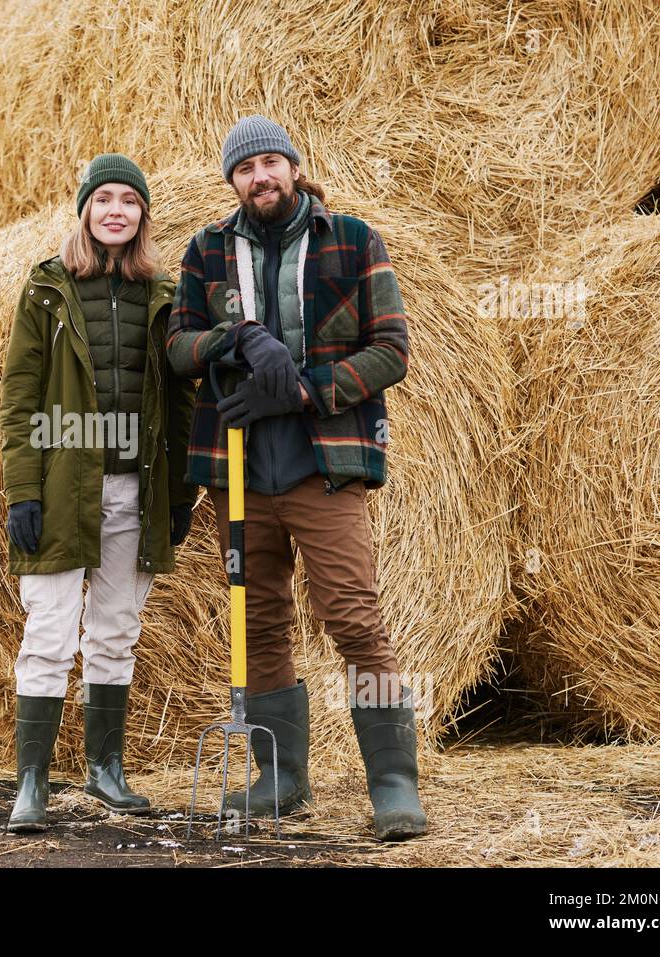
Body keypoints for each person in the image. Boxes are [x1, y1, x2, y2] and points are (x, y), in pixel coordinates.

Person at [164, 116, 426, 841]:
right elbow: (177, 346)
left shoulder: (351, 239)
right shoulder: (207, 250)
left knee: (353, 616)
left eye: (271, 163)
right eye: (246, 170)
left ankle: (393, 780)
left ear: (294, 166)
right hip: (239, 472)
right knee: (259, 621)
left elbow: (392, 351)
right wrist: (233, 337)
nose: (260, 178)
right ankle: (280, 775)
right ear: (233, 182)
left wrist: (306, 389)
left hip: (324, 465)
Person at [0, 153, 198, 833]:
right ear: (85, 209)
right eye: (104, 198)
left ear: (143, 215)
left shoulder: (163, 294)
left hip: (135, 491)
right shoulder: (47, 290)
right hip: (62, 488)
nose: (116, 210)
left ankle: (105, 771)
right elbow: (20, 398)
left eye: (129, 201)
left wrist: (179, 495)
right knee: (49, 633)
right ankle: (32, 783)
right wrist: (23, 490)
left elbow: (180, 402)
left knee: (116, 631)